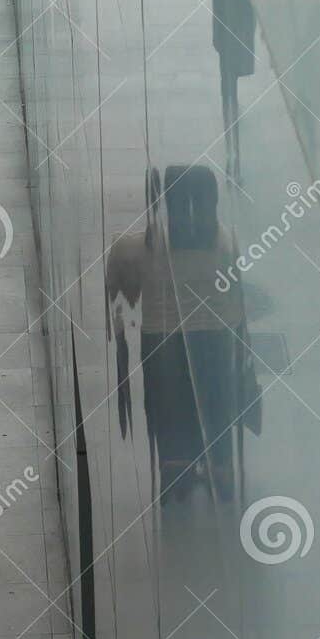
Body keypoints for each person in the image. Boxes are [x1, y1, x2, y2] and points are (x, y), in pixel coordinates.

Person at [106, 166, 244, 502]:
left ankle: (174, 468)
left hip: (162, 339)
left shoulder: (137, 248)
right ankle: (221, 468)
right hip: (214, 338)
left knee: (167, 407)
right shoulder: (226, 242)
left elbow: (124, 291)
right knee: (215, 404)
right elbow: (236, 299)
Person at [206, 0, 255, 178]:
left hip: (230, 30)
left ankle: (230, 105)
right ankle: (231, 106)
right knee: (229, 78)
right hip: (232, 30)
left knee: (228, 79)